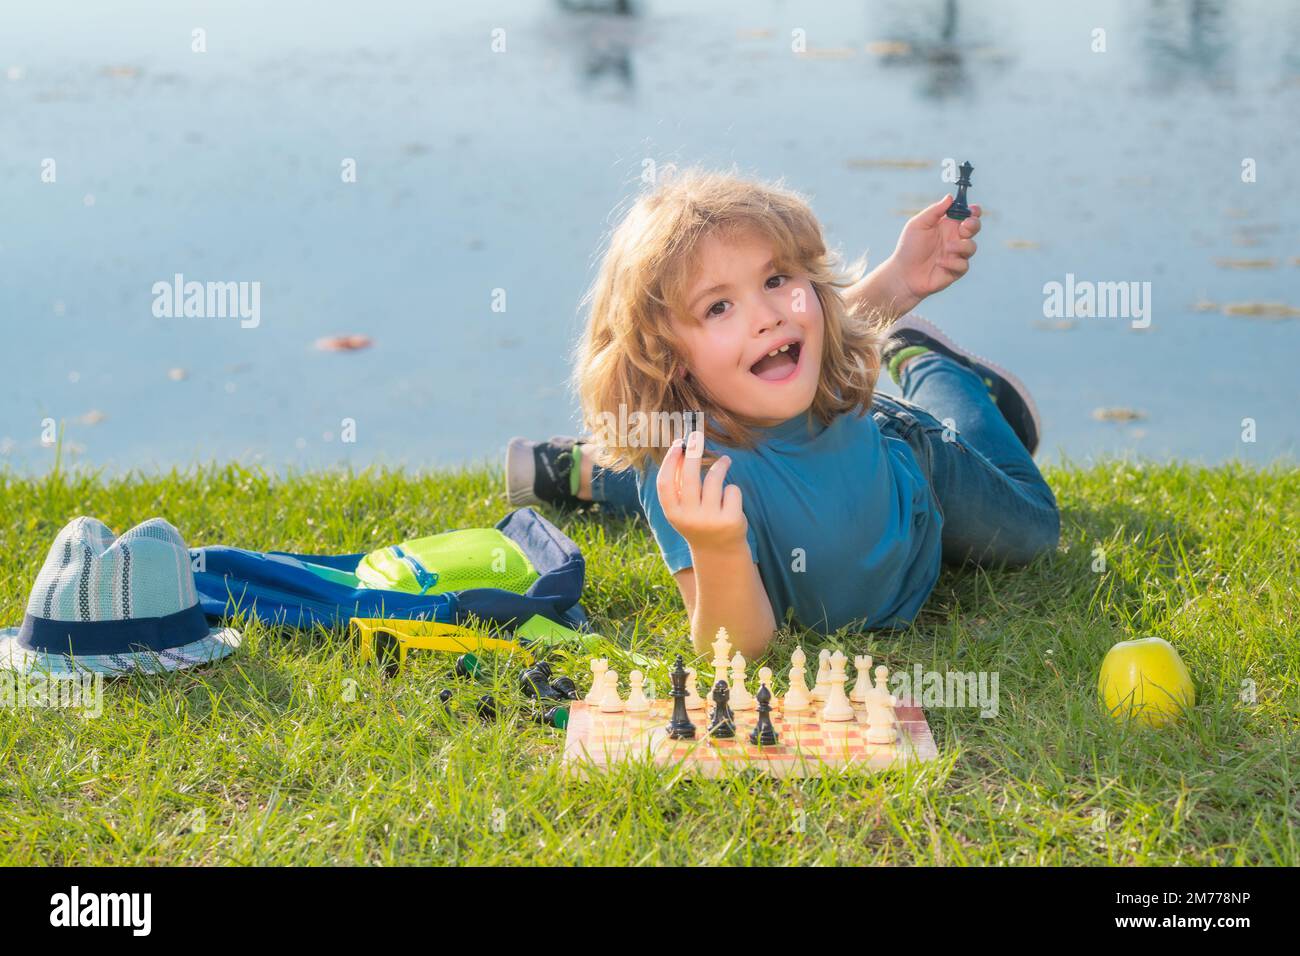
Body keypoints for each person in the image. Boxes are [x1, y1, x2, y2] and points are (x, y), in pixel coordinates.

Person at [506, 168, 1058, 658]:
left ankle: (932, 366)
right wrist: (716, 547)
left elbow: (828, 327)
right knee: (705, 497)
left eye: (776, 281)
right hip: (721, 463)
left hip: (915, 478)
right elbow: (735, 651)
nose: (768, 316)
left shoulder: (808, 365)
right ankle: (588, 469)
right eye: (718, 306)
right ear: (669, 358)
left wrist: (900, 280)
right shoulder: (686, 463)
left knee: (1035, 531)